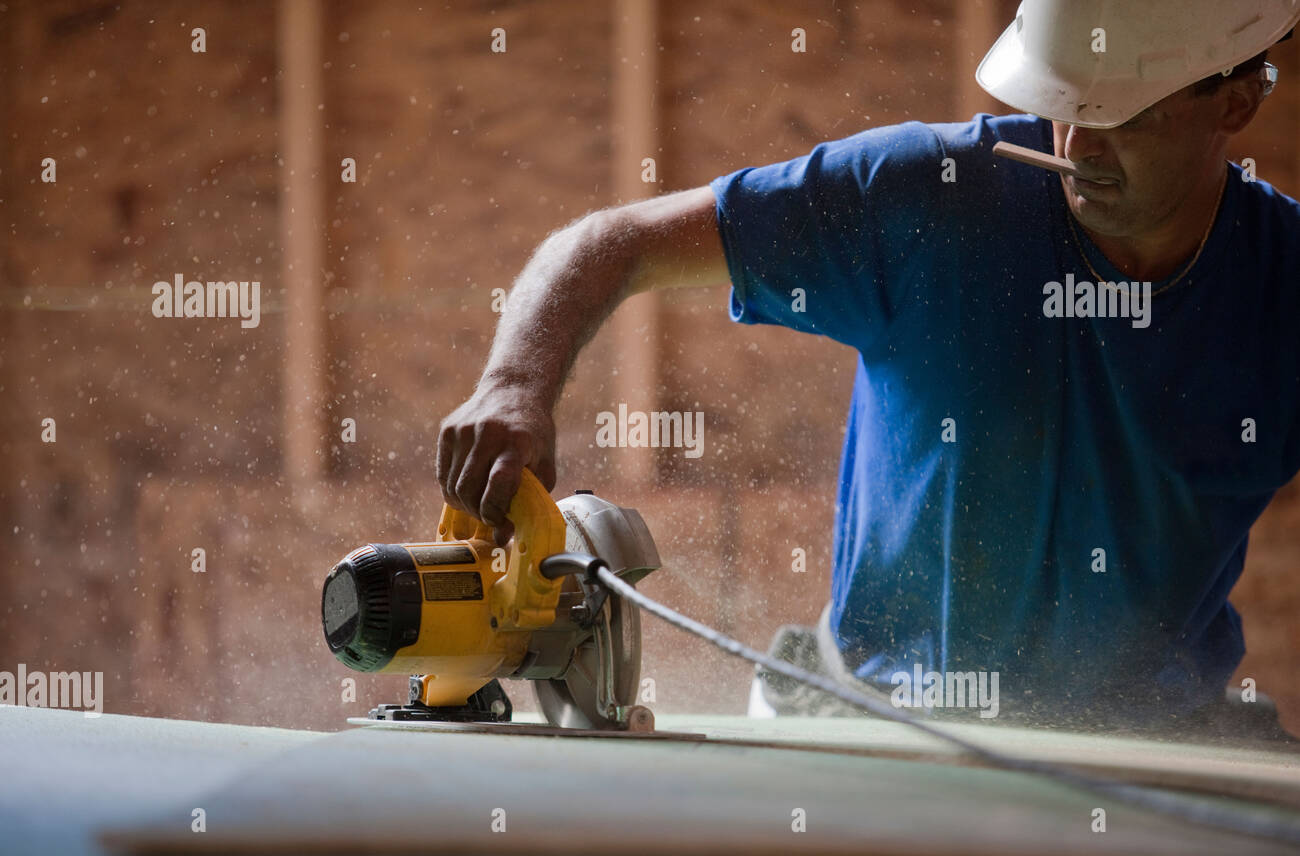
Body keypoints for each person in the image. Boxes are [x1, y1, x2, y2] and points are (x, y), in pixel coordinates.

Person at [437, 1, 1300, 739]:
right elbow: (609, 245)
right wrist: (513, 385)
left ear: (1231, 104)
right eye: (1062, 104)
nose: (1078, 145)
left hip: (1159, 745)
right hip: (872, 720)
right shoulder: (933, 195)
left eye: (1125, 116)